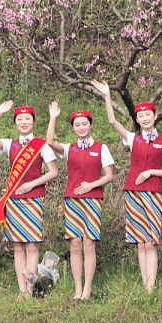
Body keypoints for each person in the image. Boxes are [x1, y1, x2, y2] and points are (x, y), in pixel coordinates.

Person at [91, 81, 162, 292]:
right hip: (134, 192)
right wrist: (107, 96)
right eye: (141, 116)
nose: (145, 118)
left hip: (153, 193)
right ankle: (145, 283)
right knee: (140, 241)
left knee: (151, 241)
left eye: (148, 114)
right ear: (137, 119)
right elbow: (112, 121)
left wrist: (151, 172)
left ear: (155, 116)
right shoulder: (132, 139)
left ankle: (151, 286)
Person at [0, 101, 59, 297]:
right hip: (14, 201)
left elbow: (53, 172)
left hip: (33, 200)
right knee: (18, 246)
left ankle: (31, 288)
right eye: (20, 119)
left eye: (27, 119)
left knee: (32, 246)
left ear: (33, 122)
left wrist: (33, 184)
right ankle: (22, 290)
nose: (24, 122)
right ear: (15, 122)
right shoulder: (10, 144)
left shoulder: (41, 145)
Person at [45, 102, 114, 301]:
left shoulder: (101, 148)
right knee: (75, 243)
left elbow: (109, 175)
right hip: (73, 199)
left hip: (93, 200)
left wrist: (91, 185)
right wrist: (53, 118)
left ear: (90, 125)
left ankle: (87, 289)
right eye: (77, 125)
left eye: (84, 124)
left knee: (89, 243)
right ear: (73, 128)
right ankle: (77, 288)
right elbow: (50, 141)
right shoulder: (69, 148)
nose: (81, 127)